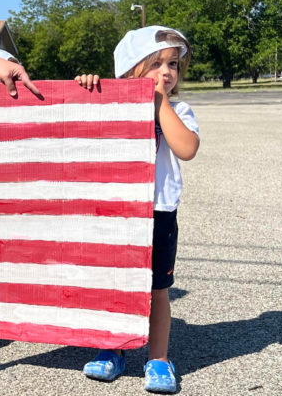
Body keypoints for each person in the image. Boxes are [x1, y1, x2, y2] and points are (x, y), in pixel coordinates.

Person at [75, 26, 200, 393]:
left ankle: (158, 358)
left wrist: (159, 103)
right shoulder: (111, 106)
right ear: (129, 70)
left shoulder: (178, 109)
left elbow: (187, 148)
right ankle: (112, 348)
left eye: (173, 64)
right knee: (114, 284)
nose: (166, 72)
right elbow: (79, 125)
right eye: (156, 64)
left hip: (159, 212)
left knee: (157, 290)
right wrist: (88, 87)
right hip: (116, 211)